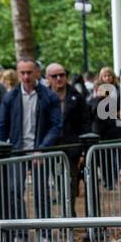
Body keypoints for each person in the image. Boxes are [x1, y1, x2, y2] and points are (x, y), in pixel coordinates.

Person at [0, 58, 63, 227]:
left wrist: (42, 148)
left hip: (40, 150)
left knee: (41, 192)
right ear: (17, 74)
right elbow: (1, 125)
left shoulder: (49, 96)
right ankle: (21, 231)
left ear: (37, 72)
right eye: (22, 73)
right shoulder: (11, 96)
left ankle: (44, 232)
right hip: (17, 150)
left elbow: (56, 125)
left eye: (29, 72)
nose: (25, 76)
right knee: (15, 191)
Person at [45, 63, 91, 215]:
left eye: (62, 75)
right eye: (54, 76)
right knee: (59, 181)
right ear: (48, 78)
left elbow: (85, 123)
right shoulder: (43, 97)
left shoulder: (76, 97)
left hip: (72, 148)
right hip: (51, 147)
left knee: (70, 181)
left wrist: (84, 150)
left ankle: (68, 214)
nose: (59, 78)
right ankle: (66, 213)